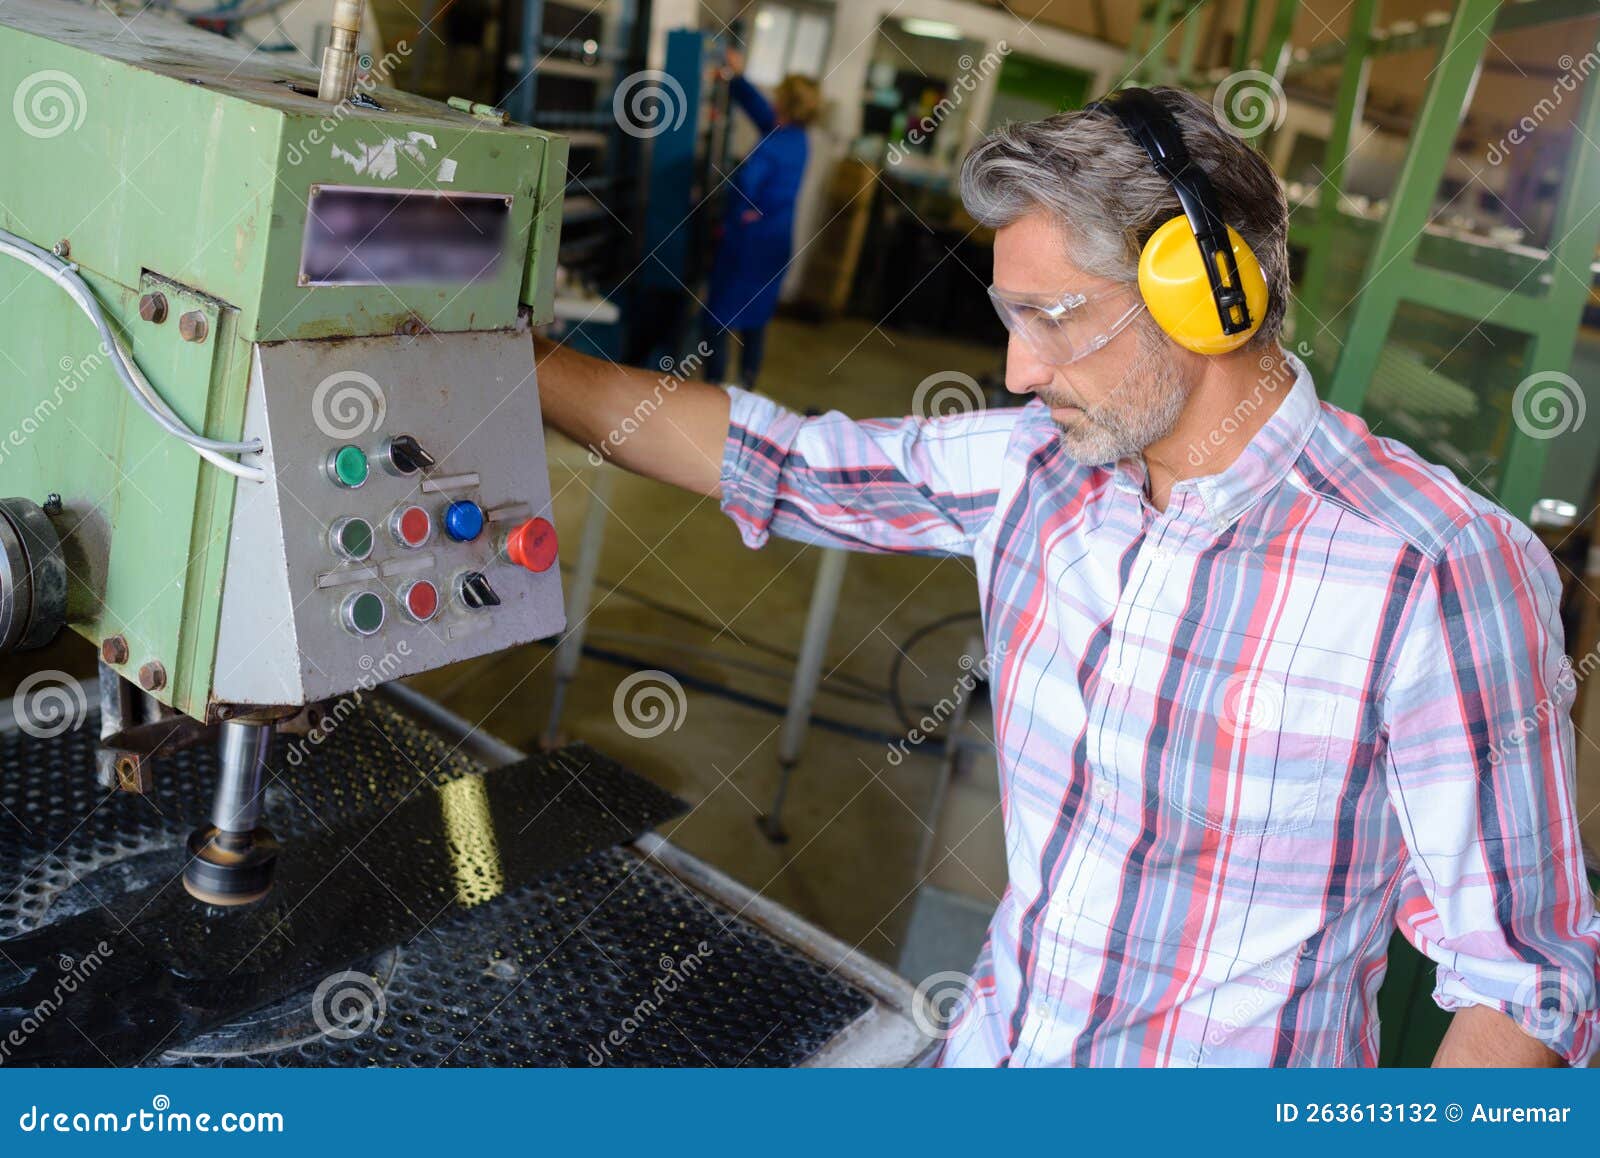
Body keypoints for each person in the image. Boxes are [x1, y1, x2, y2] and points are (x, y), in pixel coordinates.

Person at [532, 87, 1600, 1067]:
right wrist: (504, 362)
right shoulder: (1037, 470)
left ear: (1207, 295)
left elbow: (1523, 983)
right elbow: (781, 460)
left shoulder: (1432, 568)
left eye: (1054, 317)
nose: (1019, 371)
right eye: (1010, 318)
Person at [701, 49, 818, 387]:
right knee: (755, 319)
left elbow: (748, 187)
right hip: (775, 245)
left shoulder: (774, 146)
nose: (774, 101)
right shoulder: (795, 138)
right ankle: (747, 386)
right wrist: (736, 78)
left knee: (716, 320)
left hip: (748, 245)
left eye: (779, 97)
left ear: (788, 104)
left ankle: (714, 392)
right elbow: (759, 109)